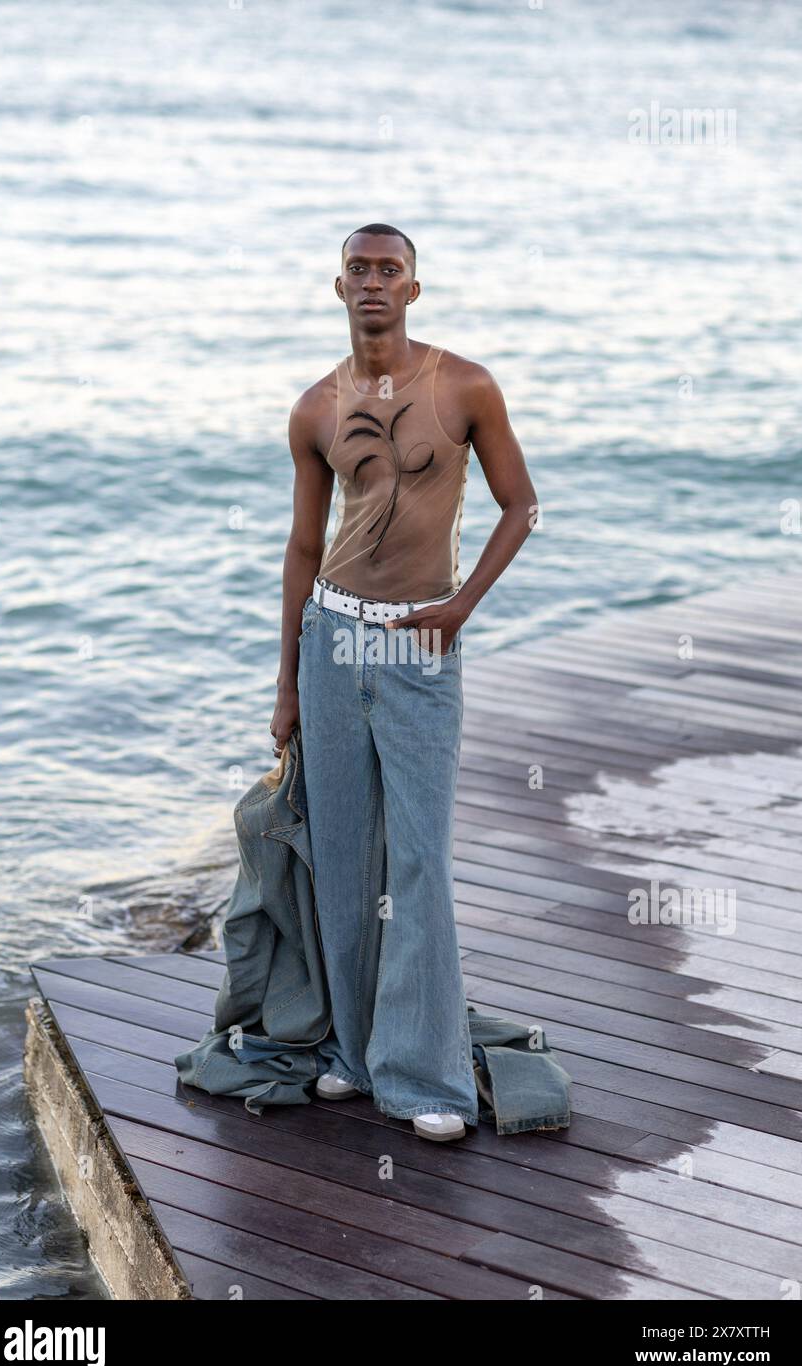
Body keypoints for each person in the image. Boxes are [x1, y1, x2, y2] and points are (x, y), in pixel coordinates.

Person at [271, 222, 538, 1142]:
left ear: (414, 290)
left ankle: (424, 1076)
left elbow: (521, 505)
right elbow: (304, 549)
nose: (374, 282)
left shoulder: (464, 386)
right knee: (345, 859)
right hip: (333, 638)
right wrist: (287, 687)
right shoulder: (313, 409)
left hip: (420, 645)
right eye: (359, 269)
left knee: (419, 863)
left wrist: (461, 607)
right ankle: (352, 1050)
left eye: (391, 270)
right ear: (337, 287)